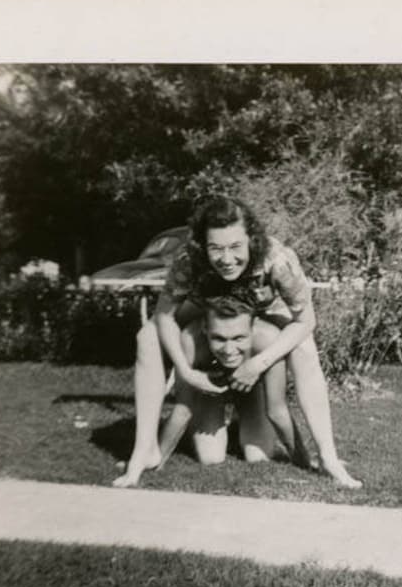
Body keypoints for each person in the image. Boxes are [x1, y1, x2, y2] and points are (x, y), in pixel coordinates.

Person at [113, 195, 360, 488]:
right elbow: (164, 317)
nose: (226, 259)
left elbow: (306, 321)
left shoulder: (277, 258)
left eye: (235, 247)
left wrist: (258, 363)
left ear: (251, 241)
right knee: (148, 337)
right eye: (216, 248)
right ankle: (145, 450)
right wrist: (187, 371)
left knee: (304, 347)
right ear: (203, 245)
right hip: (214, 317)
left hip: (263, 317)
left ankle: (328, 456)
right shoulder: (189, 259)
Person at [154, 295, 306, 468]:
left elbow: (277, 410)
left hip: (251, 390)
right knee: (210, 458)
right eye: (219, 338)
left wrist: (304, 461)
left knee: (258, 456)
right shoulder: (190, 340)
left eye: (238, 338)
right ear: (205, 327)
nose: (228, 350)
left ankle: (244, 424)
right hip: (209, 390)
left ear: (253, 328)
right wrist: (156, 459)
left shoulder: (269, 339)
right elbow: (183, 409)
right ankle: (204, 427)